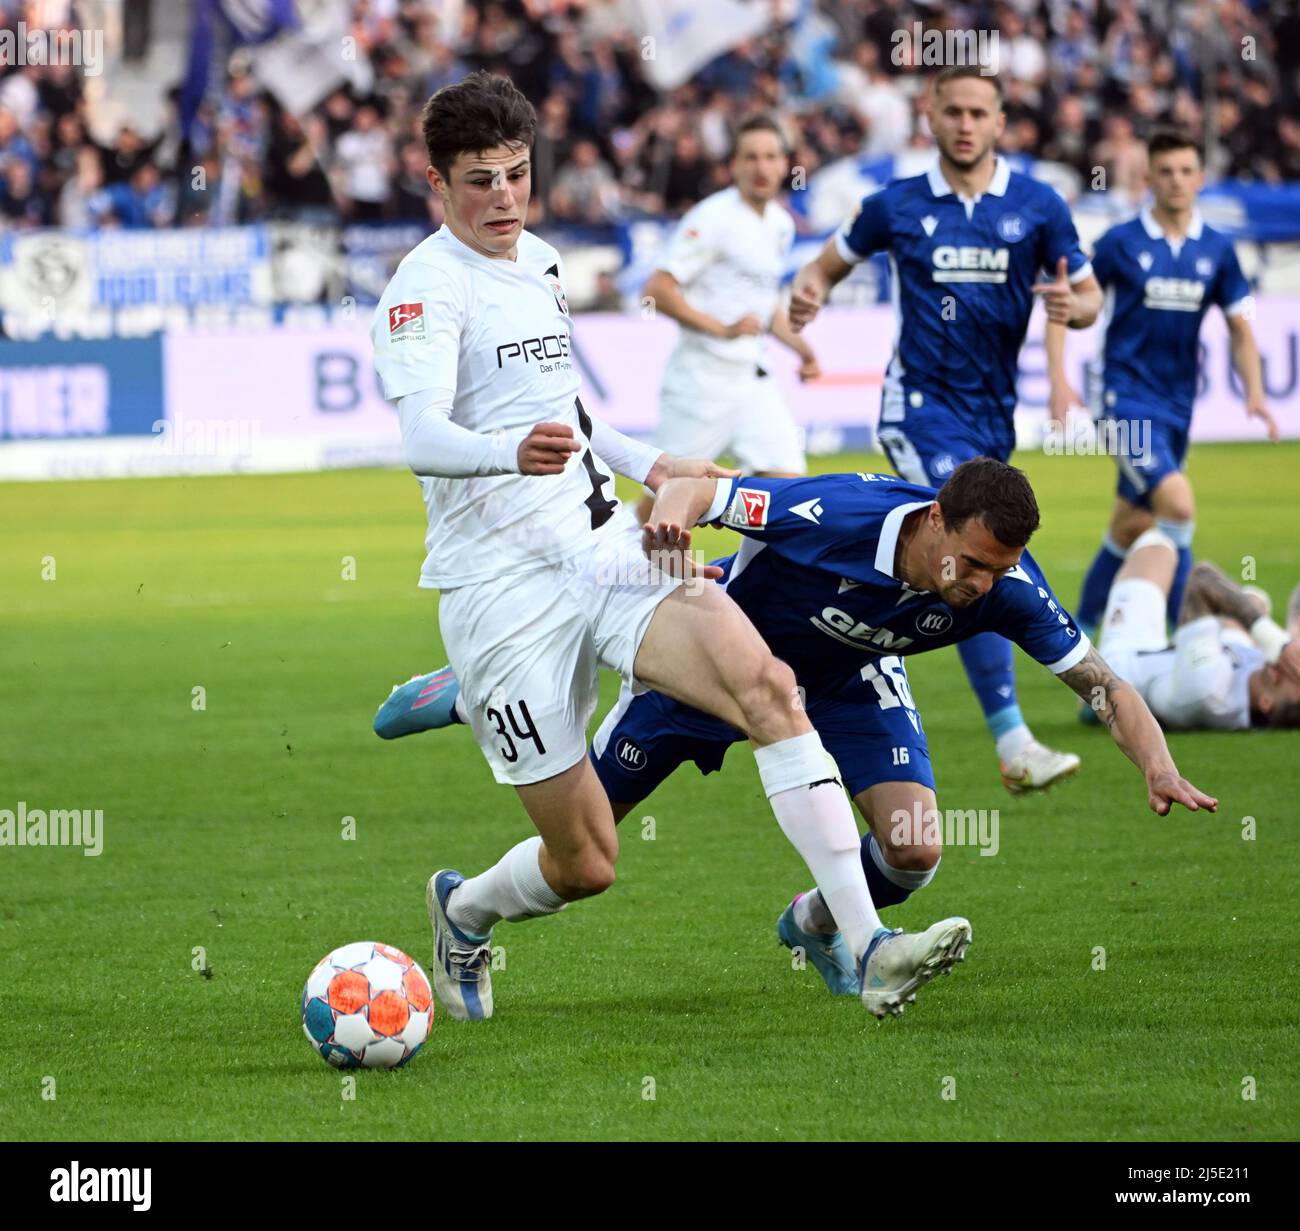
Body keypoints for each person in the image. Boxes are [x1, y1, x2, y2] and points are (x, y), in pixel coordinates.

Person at [370, 71, 967, 1026]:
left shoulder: (542, 263)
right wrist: (504, 454)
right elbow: (419, 437)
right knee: (587, 863)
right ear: (436, 182)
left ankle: (870, 942)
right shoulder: (423, 291)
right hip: (499, 593)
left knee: (768, 685)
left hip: (604, 548)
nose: (503, 198)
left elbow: (571, 418)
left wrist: (656, 458)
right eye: (479, 180)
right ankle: (465, 905)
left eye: (517, 175)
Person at [376, 459, 1217, 1000]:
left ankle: (818, 924)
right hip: (706, 673)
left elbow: (1103, 682)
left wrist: (1157, 762)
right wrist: (670, 527)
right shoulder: (839, 512)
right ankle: (467, 896)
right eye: (974, 562)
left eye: (1002, 569)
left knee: (918, 847)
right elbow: (699, 486)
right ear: (933, 521)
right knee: (584, 860)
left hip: (845, 682)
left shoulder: (1006, 587)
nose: (984, 585)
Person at [787, 66, 1103, 793]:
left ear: (1000, 121)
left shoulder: (1039, 204)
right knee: (977, 547)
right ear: (930, 117)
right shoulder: (893, 204)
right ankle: (1014, 737)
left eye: (979, 112)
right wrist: (806, 300)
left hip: (991, 413)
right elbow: (825, 268)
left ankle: (851, 650)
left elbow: (1084, 297)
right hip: (919, 405)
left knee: (961, 566)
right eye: (952, 111)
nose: (965, 124)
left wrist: (1071, 312)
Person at [1059, 130, 1279, 637]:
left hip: (1177, 405)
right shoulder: (1120, 242)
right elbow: (1073, 296)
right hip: (1122, 397)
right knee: (1178, 505)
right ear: (1148, 178)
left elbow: (1241, 330)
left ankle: (1075, 634)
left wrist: (1257, 394)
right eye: (1166, 172)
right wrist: (1059, 376)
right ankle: (1189, 628)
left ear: (1200, 178)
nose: (1177, 181)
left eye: (1186, 171)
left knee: (1130, 526)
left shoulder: (1218, 251)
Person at [634, 114, 819, 526]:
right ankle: (611, 566)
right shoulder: (712, 217)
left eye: (771, 157)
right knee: (662, 504)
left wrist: (804, 351)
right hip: (702, 381)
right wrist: (723, 330)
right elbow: (656, 291)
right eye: (750, 157)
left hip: (752, 380)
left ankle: (761, 588)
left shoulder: (780, 225)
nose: (761, 167)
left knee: (787, 491)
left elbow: (765, 307)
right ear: (733, 165)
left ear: (785, 163)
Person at [1096, 532, 1300, 731]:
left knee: (1157, 547)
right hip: (1202, 659)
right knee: (1254, 600)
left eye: (1294, 676)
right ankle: (1190, 628)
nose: (1293, 666)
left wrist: (1277, 641)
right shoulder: (1266, 677)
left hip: (1125, 664)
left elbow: (1202, 578)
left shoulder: (1208, 691)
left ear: (1266, 703)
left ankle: (1089, 692)